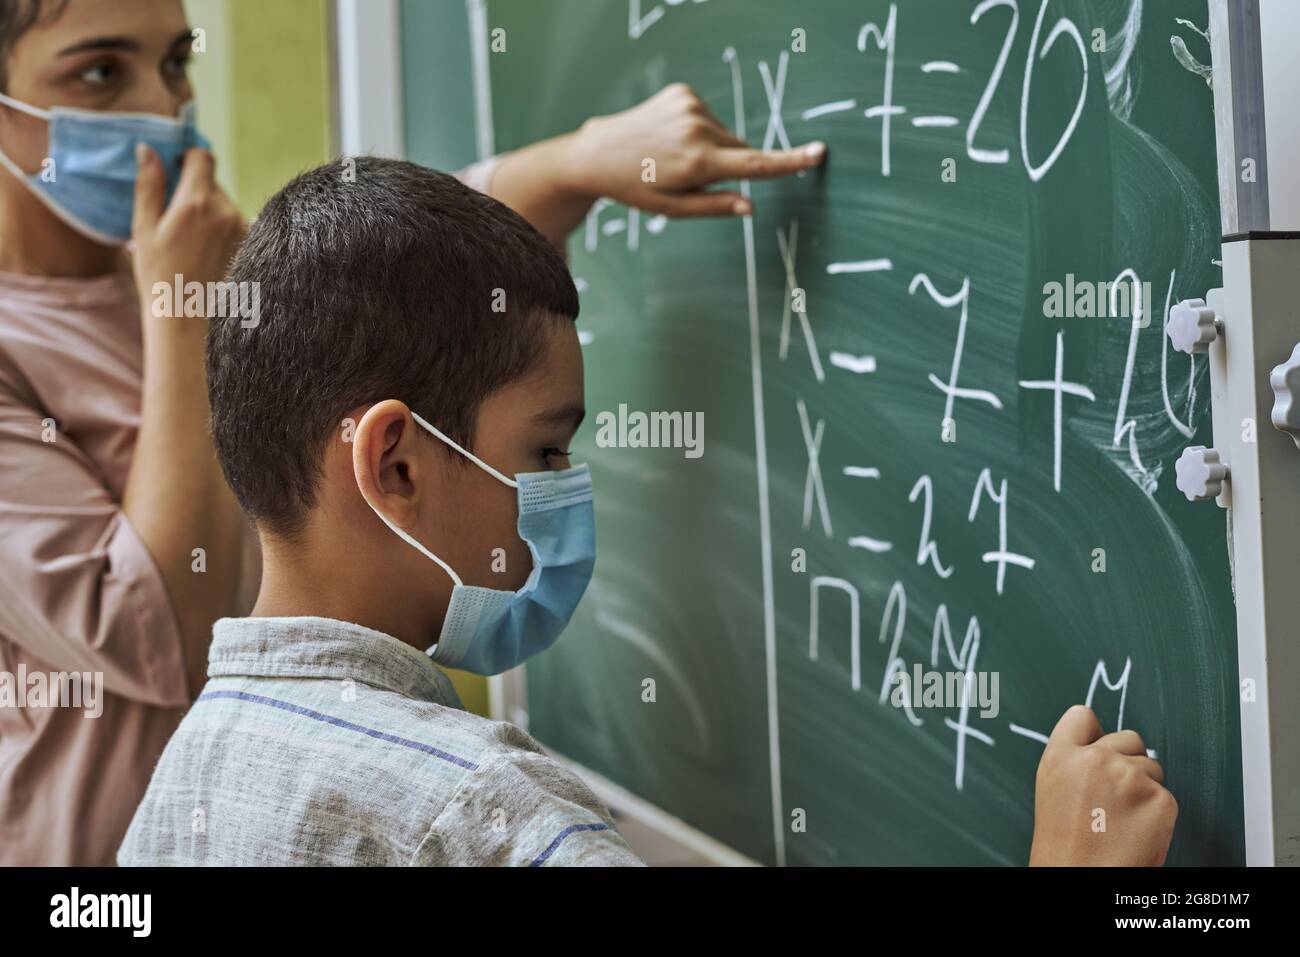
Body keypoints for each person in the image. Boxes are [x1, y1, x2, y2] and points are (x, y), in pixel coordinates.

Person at [118, 159, 1178, 866]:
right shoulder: (486, 816)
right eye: (544, 449)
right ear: (394, 464)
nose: (565, 491)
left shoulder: (181, 784)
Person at [0, 0, 824, 865]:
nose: (161, 109)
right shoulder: (481, 809)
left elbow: (396, 308)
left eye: (175, 64)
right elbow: (157, 634)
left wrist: (569, 165)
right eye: (100, 71)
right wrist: (180, 313)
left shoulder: (220, 272)